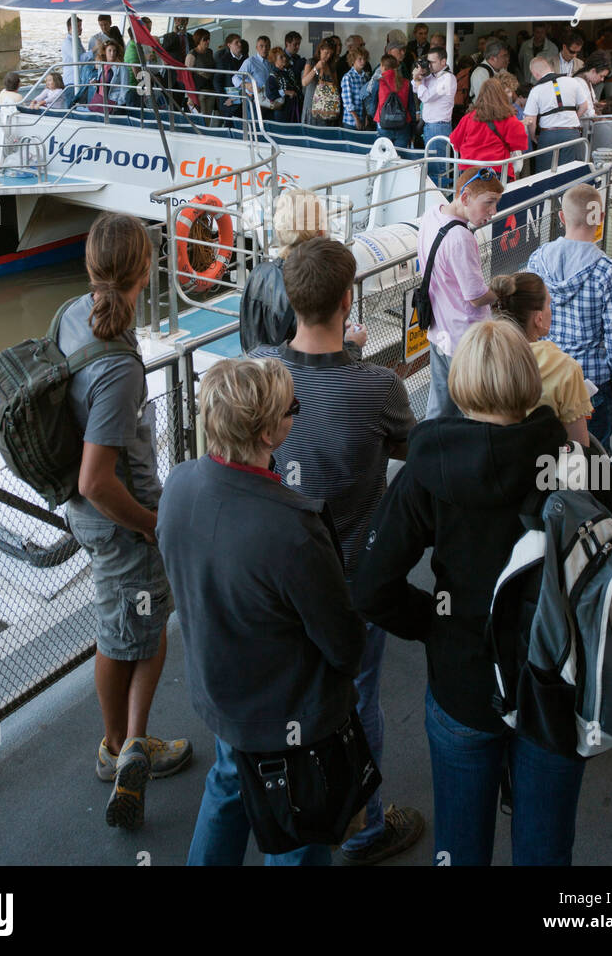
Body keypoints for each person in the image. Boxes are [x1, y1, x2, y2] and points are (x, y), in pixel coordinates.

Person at [352, 320, 586, 866]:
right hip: (553, 679)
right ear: (528, 381)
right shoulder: (574, 461)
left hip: (464, 679)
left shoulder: (424, 471)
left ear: (460, 384)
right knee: (547, 851)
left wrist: (435, 623)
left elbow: (372, 586)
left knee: (459, 846)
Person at [251, 238, 422, 866]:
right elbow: (412, 450)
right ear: (348, 300)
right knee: (359, 699)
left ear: (289, 298)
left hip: (274, 586)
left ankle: (291, 816)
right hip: (356, 584)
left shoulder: (259, 374)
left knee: (289, 706)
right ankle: (366, 824)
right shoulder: (377, 387)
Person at [158, 357, 367, 866]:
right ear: (271, 432)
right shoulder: (293, 527)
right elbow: (343, 644)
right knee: (296, 827)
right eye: (292, 409)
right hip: (289, 718)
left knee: (229, 784)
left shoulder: (178, 486)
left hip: (224, 700)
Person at [59, 213, 192, 829]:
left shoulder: (70, 314)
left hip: (90, 517)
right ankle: (123, 748)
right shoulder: (119, 368)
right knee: (136, 626)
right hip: (121, 521)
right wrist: (147, 524)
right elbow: (96, 478)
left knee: (127, 623)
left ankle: (125, 743)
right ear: (146, 271)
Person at [527, 183, 612, 452]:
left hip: (545, 377)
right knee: (593, 457)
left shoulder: (538, 261)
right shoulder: (607, 272)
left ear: (562, 217)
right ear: (599, 219)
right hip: (592, 385)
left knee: (547, 455)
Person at [417, 165, 503, 419]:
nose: (493, 212)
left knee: (439, 408)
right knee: (476, 412)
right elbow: (476, 296)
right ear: (464, 197)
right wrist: (500, 289)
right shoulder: (462, 238)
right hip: (466, 341)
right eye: (488, 203)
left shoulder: (432, 214)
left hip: (440, 332)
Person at [491, 273, 592, 445]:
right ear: (538, 318)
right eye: (548, 304)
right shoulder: (564, 368)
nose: (550, 310)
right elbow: (579, 445)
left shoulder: (480, 358)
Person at [239, 190, 327, 353]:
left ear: (279, 231)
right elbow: (321, 359)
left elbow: (248, 338)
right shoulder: (322, 282)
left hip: (261, 373)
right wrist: (352, 345)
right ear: (321, 232)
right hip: (294, 377)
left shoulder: (258, 275)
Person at [450, 76, 529, 181]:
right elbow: (520, 144)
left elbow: (455, 141)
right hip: (497, 171)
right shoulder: (509, 119)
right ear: (502, 96)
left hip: (469, 171)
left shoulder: (468, 118)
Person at [523, 54, 592, 166]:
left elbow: (530, 119)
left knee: (545, 173)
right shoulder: (572, 81)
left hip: (548, 135)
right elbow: (584, 106)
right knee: (569, 170)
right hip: (571, 133)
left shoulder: (536, 90)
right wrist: (573, 119)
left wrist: (533, 136)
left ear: (535, 74)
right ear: (550, 68)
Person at [413, 44, 456, 186]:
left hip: (439, 126)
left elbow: (426, 97)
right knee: (430, 165)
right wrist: (420, 74)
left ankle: (442, 195)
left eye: (432, 62)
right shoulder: (432, 76)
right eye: (428, 61)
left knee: (437, 167)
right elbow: (414, 87)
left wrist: (419, 81)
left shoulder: (447, 78)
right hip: (429, 126)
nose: (429, 65)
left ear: (443, 62)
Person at [374, 53, 414, 149]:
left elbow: (372, 104)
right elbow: (411, 107)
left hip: (383, 123)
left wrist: (375, 116)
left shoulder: (379, 82)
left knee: (383, 157)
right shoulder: (406, 83)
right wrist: (412, 129)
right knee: (400, 158)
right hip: (403, 125)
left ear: (383, 67)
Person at [302, 38, 341, 126]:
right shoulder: (311, 62)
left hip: (328, 107)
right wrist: (316, 67)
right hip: (311, 105)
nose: (328, 56)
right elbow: (304, 82)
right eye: (326, 53)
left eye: (331, 54)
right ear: (320, 50)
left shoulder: (332, 66)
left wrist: (328, 72)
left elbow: (336, 86)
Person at [89, 40, 132, 113]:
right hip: (101, 101)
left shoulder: (121, 67)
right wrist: (95, 81)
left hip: (113, 103)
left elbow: (124, 88)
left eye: (114, 51)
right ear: (105, 52)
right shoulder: (102, 66)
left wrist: (119, 104)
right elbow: (101, 82)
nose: (112, 53)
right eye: (109, 51)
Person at [184, 27, 217, 118]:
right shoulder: (192, 54)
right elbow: (187, 76)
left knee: (208, 117)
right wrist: (190, 96)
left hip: (210, 88)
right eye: (205, 39)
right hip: (199, 89)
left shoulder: (209, 52)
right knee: (200, 116)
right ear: (199, 40)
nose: (207, 41)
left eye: (208, 39)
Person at [214, 31, 246, 118]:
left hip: (244, 102)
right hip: (230, 102)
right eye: (236, 43)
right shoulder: (223, 60)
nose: (240, 44)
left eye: (240, 42)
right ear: (229, 45)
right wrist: (225, 99)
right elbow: (217, 81)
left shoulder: (245, 58)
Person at [574, 51, 612, 115]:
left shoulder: (587, 81)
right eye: (601, 76)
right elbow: (588, 111)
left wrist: (599, 105)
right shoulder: (579, 82)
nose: (602, 79)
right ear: (593, 71)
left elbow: (591, 103)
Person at [340, 46, 371, 129]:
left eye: (364, 59)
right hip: (350, 121)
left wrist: (366, 116)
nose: (363, 61)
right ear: (353, 60)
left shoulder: (365, 77)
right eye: (360, 59)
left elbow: (367, 99)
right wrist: (356, 118)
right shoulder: (348, 77)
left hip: (363, 118)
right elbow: (347, 101)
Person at [233, 35, 272, 99]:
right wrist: (246, 85)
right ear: (256, 48)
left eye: (267, 46)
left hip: (267, 98)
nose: (264, 48)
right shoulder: (250, 62)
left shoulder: (271, 62)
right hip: (254, 98)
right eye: (261, 46)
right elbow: (235, 78)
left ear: (270, 47)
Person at [60, 18, 84, 88]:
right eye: (78, 26)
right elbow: (79, 59)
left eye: (81, 26)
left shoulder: (77, 41)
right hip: (71, 81)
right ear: (71, 27)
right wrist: (94, 50)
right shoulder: (68, 42)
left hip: (79, 80)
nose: (81, 28)